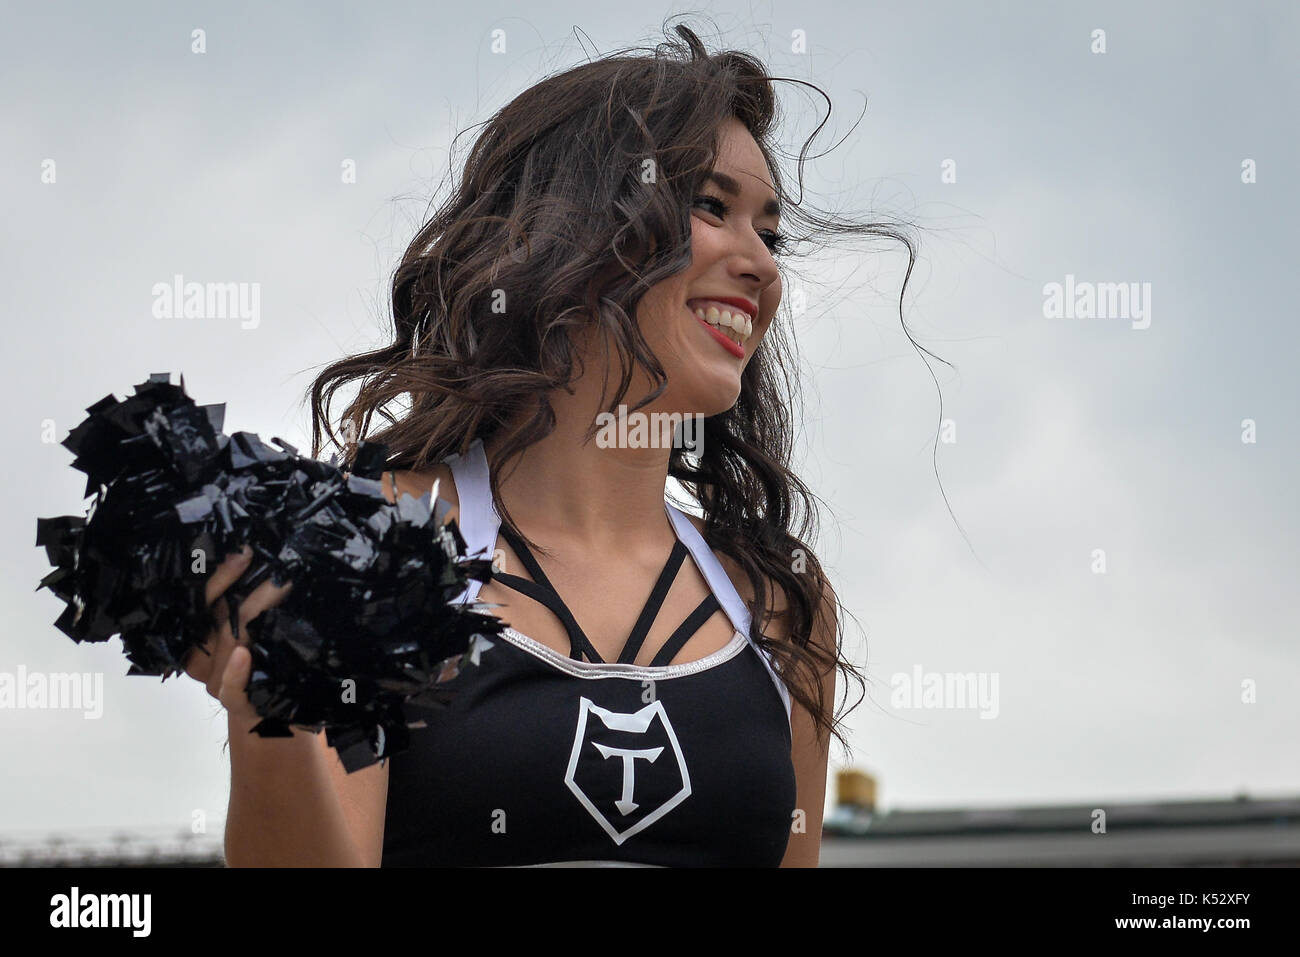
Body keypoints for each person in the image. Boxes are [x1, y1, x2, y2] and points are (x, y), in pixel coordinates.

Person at [189, 22, 901, 867]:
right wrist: (268, 718)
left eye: (770, 233)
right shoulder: (370, 543)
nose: (761, 265)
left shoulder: (781, 602)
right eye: (711, 207)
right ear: (576, 226)